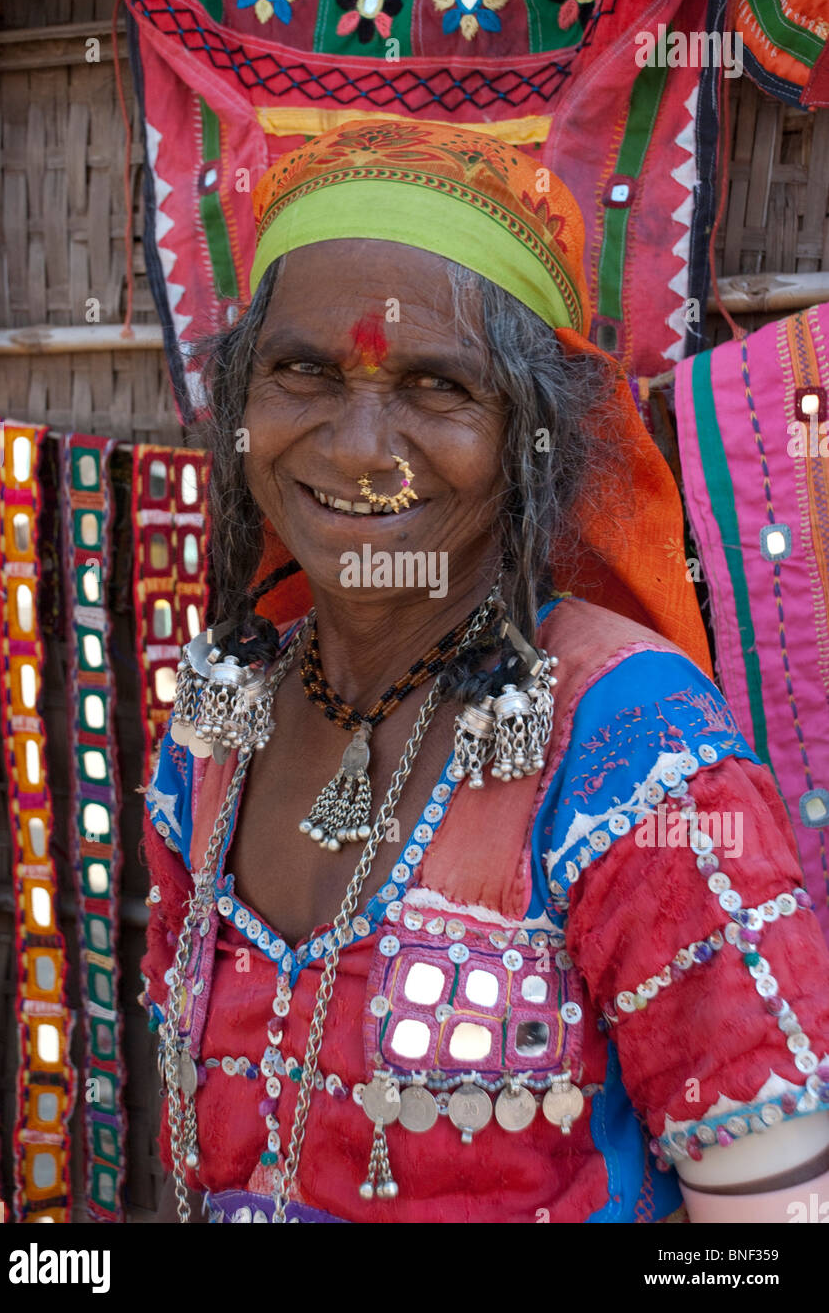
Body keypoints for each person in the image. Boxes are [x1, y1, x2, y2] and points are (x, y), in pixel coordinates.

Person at [140, 118, 829, 1224]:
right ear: (240, 408)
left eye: (436, 386)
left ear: (533, 432)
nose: (360, 445)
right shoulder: (218, 729)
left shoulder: (635, 756)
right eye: (303, 371)